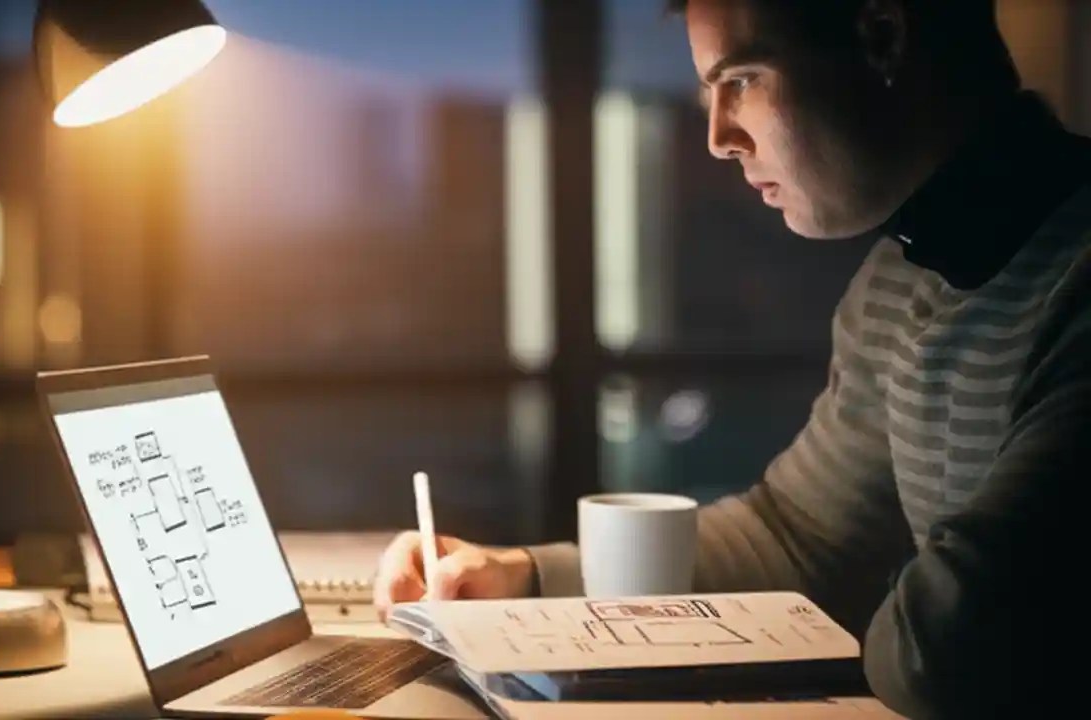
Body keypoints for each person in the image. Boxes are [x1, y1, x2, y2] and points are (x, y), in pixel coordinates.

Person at [373, 0, 1091, 717]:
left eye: (741, 80)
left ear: (881, 36)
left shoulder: (1075, 279)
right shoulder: (900, 282)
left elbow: (950, 652)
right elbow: (801, 541)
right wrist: (526, 577)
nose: (717, 137)